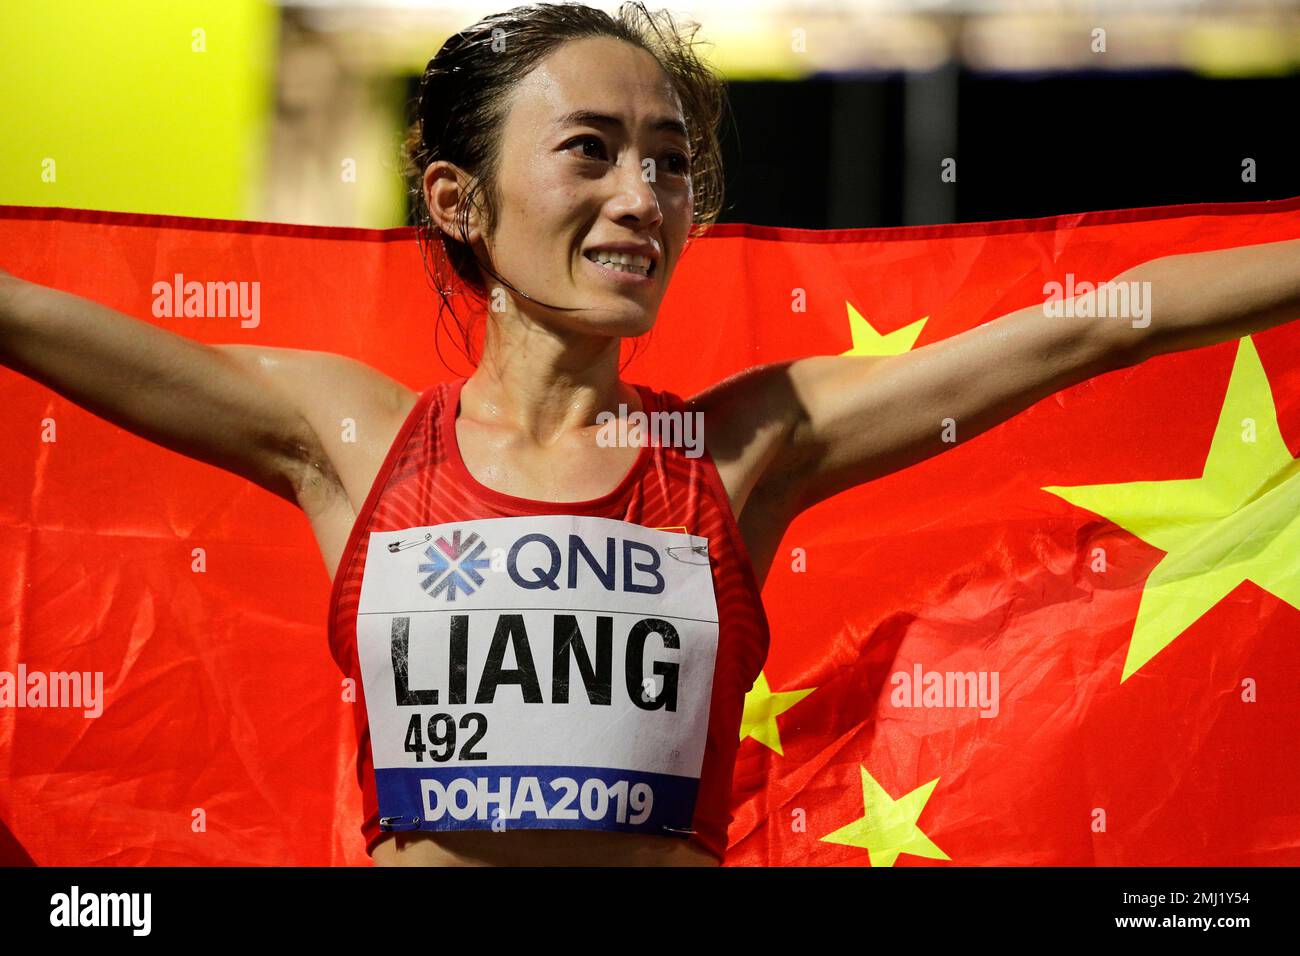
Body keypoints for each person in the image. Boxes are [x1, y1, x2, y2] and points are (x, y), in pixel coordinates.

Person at [2, 1, 1298, 867]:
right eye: (592, 151)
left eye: (670, 162)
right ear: (457, 198)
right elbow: (31, 325)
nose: (644, 197)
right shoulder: (353, 438)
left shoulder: (745, 450)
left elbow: (1094, 331)